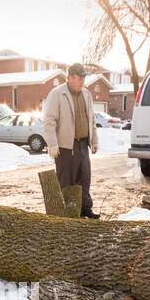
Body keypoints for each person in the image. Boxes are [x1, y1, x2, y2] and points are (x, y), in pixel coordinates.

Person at [42, 63, 99, 218]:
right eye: (80, 78)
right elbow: (49, 121)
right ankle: (68, 213)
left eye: (83, 78)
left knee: (84, 178)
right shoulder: (57, 94)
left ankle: (85, 209)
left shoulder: (86, 94)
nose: (82, 81)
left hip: (82, 144)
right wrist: (52, 144)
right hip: (65, 147)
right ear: (70, 77)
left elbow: (91, 120)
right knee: (67, 181)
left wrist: (94, 140)